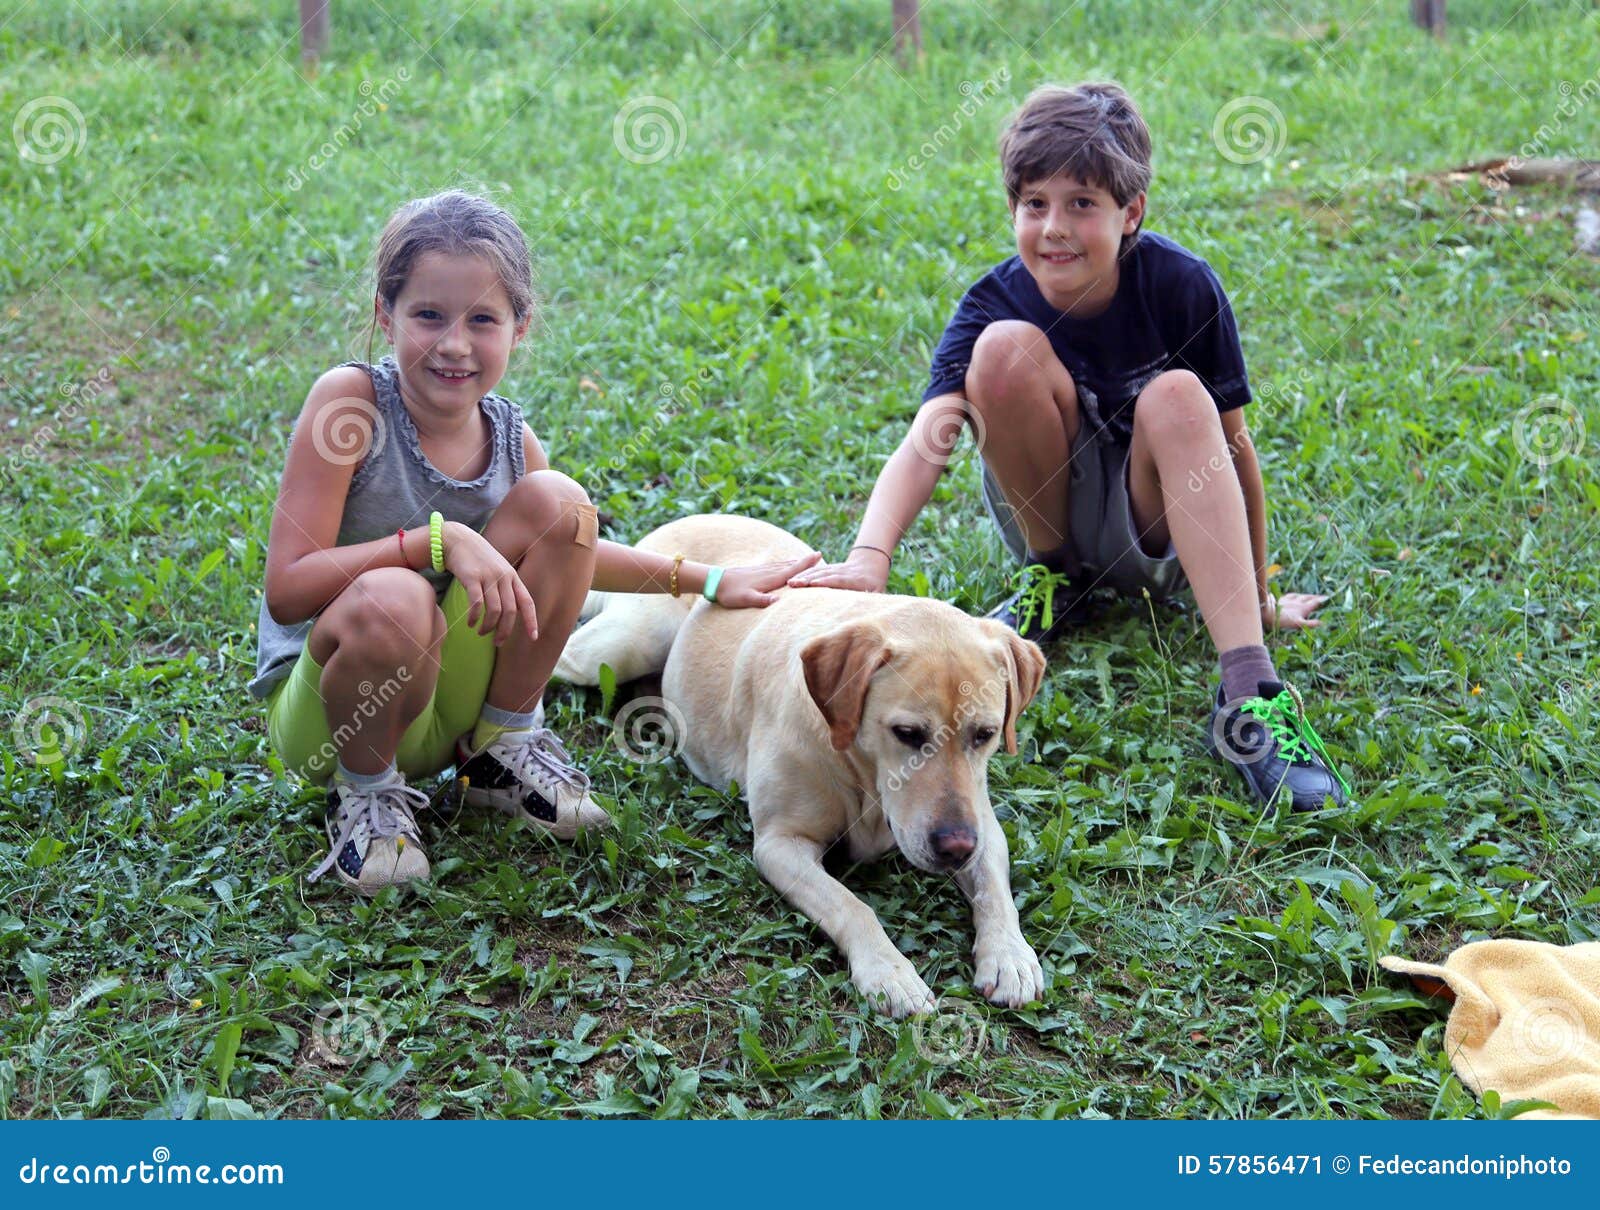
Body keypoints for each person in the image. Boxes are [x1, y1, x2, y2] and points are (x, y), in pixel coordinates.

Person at [789, 83, 1350, 812]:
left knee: (1181, 396)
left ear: (1131, 213)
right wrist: (870, 556)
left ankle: (1250, 691)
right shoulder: (994, 300)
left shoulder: (1182, 287)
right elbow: (930, 438)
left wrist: (1259, 591)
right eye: (1034, 204)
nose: (1054, 227)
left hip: (1159, 526)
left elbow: (1234, 451)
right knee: (1001, 353)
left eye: (1082, 203)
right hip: (1048, 513)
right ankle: (1053, 584)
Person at [248, 189, 818, 895]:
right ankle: (365, 799)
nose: (454, 343)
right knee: (397, 596)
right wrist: (434, 542)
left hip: (450, 702)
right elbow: (288, 584)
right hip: (335, 717)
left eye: (481, 319)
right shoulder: (350, 405)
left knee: (561, 502)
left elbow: (575, 557)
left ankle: (500, 752)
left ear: (519, 328)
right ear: (384, 313)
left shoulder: (512, 440)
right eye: (428, 314)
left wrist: (705, 580)